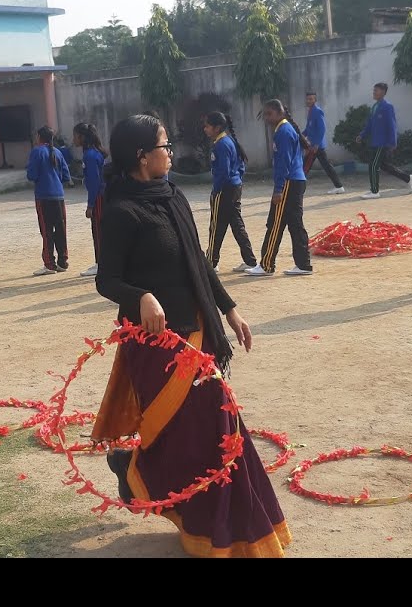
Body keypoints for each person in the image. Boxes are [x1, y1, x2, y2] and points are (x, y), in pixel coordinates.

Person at [92, 112, 289, 558]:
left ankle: (141, 473)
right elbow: (106, 279)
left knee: (210, 431)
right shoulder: (122, 210)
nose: (171, 153)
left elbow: (198, 263)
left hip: (199, 334)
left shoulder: (173, 197)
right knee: (204, 430)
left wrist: (230, 309)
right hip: (156, 346)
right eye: (164, 146)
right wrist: (140, 295)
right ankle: (210, 526)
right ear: (142, 157)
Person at [246, 100, 312, 277]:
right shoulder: (287, 129)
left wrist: (278, 189)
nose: (266, 118)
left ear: (279, 113)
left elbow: (283, 163)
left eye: (269, 114)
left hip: (289, 182)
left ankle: (267, 264)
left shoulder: (283, 132)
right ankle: (303, 264)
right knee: (295, 225)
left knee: (275, 223)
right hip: (296, 180)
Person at [202, 112, 258, 273]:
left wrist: (216, 191)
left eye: (207, 125)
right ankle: (250, 261)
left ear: (217, 127)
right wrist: (237, 181)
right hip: (234, 187)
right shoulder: (229, 141)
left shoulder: (221, 144)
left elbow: (223, 172)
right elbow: (240, 167)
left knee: (216, 226)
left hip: (225, 189)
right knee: (236, 224)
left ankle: (211, 262)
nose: (205, 129)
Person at [356, 83, 412, 199]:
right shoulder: (374, 107)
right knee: (383, 165)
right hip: (374, 141)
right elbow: (370, 125)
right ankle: (408, 178)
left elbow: (392, 125)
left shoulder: (387, 106)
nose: (374, 93)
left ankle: (375, 191)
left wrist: (393, 142)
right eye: (373, 91)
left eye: (376, 91)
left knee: (373, 165)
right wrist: (362, 135)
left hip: (382, 143)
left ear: (383, 92)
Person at [26, 126, 71, 275]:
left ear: (39, 137)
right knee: (60, 229)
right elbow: (65, 175)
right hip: (59, 195)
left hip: (43, 196)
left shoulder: (36, 151)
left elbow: (31, 175)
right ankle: (63, 261)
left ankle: (49, 264)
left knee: (46, 230)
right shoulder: (58, 152)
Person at [73, 122, 106, 278]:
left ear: (82, 137)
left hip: (99, 197)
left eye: (76, 135)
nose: (74, 139)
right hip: (103, 195)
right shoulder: (94, 153)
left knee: (98, 230)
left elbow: (94, 182)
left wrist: (91, 205)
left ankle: (101, 264)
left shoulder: (90, 155)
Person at [302, 92, 345, 194]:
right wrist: (300, 136)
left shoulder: (317, 111)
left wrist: (316, 144)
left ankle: (297, 188)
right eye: (308, 99)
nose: (309, 101)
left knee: (304, 167)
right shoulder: (311, 111)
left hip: (316, 146)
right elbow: (309, 128)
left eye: (311, 99)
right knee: (324, 166)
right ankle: (339, 186)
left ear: (315, 100)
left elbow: (322, 129)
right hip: (312, 146)